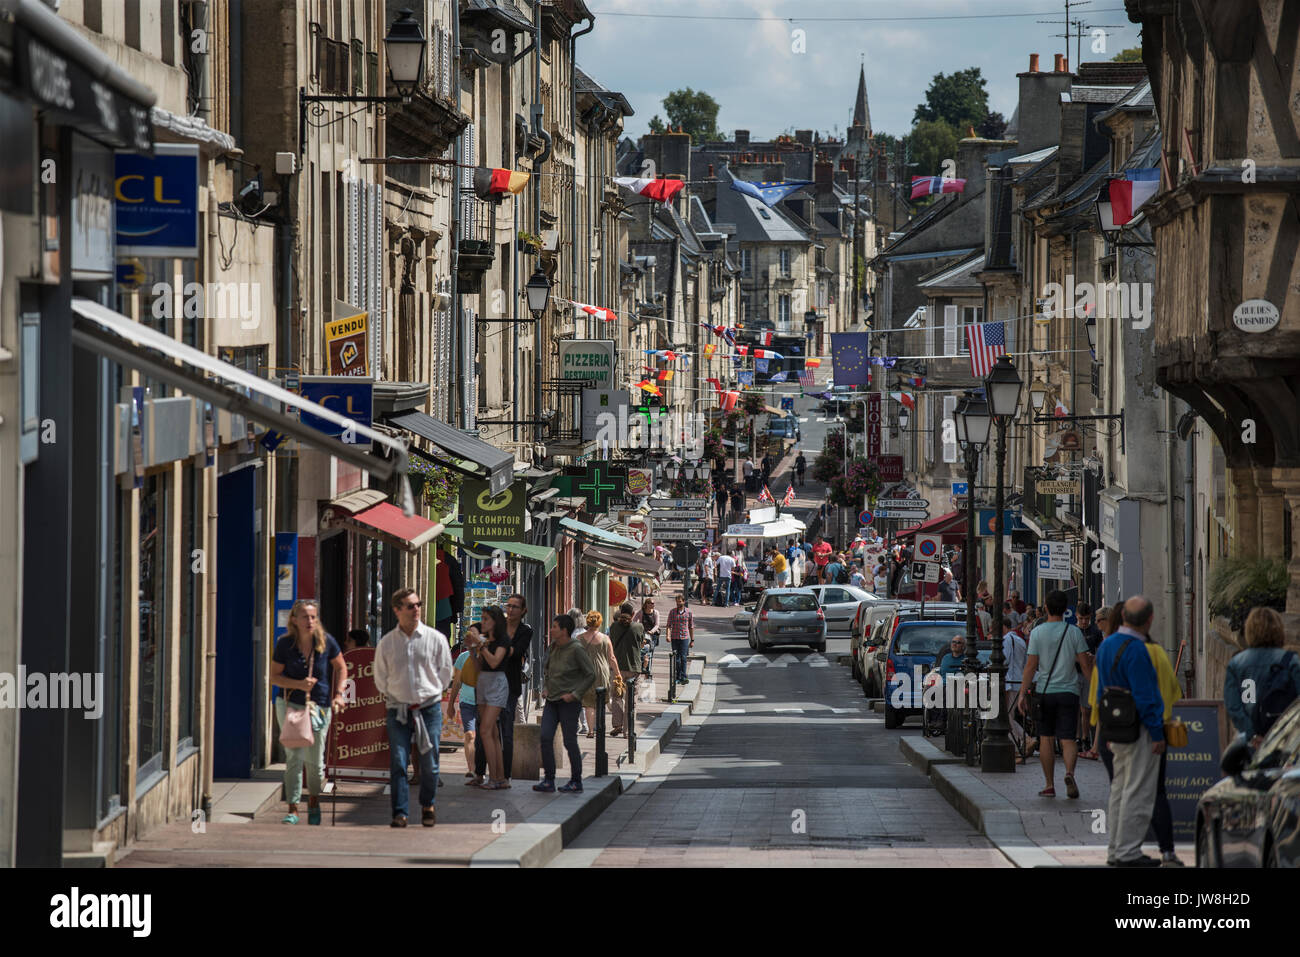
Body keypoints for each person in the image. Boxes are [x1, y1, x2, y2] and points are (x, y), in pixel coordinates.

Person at [1094, 596, 1167, 866]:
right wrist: (1157, 734)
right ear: (1148, 620)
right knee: (1138, 791)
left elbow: (1102, 688)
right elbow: (1146, 696)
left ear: (1123, 617)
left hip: (1115, 726)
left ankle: (1116, 849)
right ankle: (1128, 853)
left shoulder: (1106, 645)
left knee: (1119, 789)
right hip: (1138, 728)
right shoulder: (1138, 650)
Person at [374, 589, 451, 826]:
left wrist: (430, 693)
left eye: (418, 604)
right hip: (398, 710)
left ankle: (427, 804)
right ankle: (400, 813)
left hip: (428, 709)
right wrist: (398, 695)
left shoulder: (435, 638)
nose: (416, 609)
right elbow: (380, 677)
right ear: (397, 610)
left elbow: (446, 673)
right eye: (410, 606)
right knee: (398, 761)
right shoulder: (387, 643)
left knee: (430, 762)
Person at [270, 600, 347, 826]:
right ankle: (293, 807)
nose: (310, 621)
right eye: (304, 617)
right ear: (294, 619)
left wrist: (339, 694)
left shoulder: (325, 642)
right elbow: (274, 677)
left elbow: (341, 667)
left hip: (320, 706)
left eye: (313, 617)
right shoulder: (285, 645)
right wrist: (298, 684)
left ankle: (313, 800)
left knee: (315, 762)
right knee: (293, 758)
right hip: (290, 705)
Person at [1016, 589, 1091, 800]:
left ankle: (1049, 785)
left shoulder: (1038, 633)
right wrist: (1094, 687)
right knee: (1068, 738)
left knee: (1046, 738)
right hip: (1069, 691)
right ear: (1066, 610)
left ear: (1046, 608)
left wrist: (1022, 693)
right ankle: (1069, 773)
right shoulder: (1074, 632)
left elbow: (1031, 666)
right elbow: (1085, 665)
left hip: (1045, 692)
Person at [472, 593, 533, 787]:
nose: (511, 610)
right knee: (485, 730)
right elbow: (474, 630)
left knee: (504, 730)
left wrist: (491, 645)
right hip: (486, 681)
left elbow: (515, 652)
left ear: (523, 611)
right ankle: (481, 773)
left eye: (515, 607)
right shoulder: (496, 626)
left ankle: (503, 777)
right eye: (509, 606)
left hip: (508, 683)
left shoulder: (525, 631)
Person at [534, 615, 596, 793]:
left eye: (554, 627)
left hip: (569, 703)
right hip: (552, 701)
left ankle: (576, 781)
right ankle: (548, 780)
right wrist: (545, 687)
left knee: (569, 741)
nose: (551, 629)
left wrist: (575, 694)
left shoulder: (576, 649)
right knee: (545, 737)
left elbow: (590, 674)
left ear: (564, 631)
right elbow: (547, 669)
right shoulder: (553, 646)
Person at [1224, 606, 1300, 744]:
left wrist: (1252, 735)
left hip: (1249, 741)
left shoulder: (1236, 664)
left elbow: (1234, 707)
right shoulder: (1290, 661)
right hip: (1283, 739)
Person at [468, 605, 510, 791]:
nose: (483, 622)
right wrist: (472, 649)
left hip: (497, 684)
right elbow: (479, 667)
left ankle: (494, 778)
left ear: (495, 621)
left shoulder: (502, 640)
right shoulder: (484, 640)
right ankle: (500, 778)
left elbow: (494, 662)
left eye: (486, 619)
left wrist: (481, 644)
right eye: (482, 618)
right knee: (491, 733)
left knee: (484, 731)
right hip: (483, 683)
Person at [577, 610, 619, 738]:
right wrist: (618, 674)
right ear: (599, 623)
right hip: (602, 672)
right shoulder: (605, 639)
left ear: (588, 622)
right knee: (600, 701)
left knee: (589, 704)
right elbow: (611, 658)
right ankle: (600, 728)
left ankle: (590, 731)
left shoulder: (579, 638)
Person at [446, 622, 480, 778]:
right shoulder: (462, 657)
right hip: (466, 701)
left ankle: (481, 769)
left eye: (473, 634)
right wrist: (451, 704)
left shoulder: (488, 657)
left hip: (484, 703)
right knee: (470, 735)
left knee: (484, 737)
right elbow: (457, 682)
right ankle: (472, 769)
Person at [609, 602, 645, 735]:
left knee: (617, 696)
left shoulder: (613, 627)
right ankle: (627, 730)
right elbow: (641, 643)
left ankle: (617, 724)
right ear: (633, 614)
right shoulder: (638, 627)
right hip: (634, 667)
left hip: (617, 667)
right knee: (631, 700)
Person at [1001, 619, 1028, 759]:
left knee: (1006, 715)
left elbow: (1004, 660)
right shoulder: (1020, 640)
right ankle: (1020, 742)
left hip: (1009, 681)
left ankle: (1025, 739)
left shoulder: (1006, 640)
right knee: (1009, 714)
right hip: (1018, 680)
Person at [666, 593, 695, 685]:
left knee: (683, 658)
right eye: (677, 601)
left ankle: (683, 677)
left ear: (683, 601)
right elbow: (668, 625)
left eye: (680, 601)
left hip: (684, 638)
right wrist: (668, 635)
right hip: (675, 637)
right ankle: (678, 676)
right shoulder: (672, 612)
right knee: (676, 659)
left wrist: (692, 640)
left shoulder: (689, 612)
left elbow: (691, 626)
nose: (678, 603)